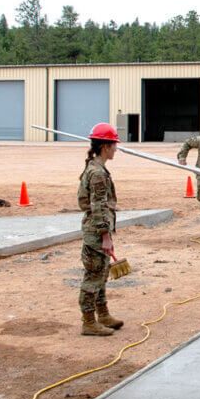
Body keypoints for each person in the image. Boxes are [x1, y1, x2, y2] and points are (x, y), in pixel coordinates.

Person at [78, 123, 124, 336]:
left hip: (96, 229)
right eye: (114, 144)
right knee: (93, 276)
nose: (116, 149)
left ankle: (103, 314)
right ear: (105, 146)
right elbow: (98, 206)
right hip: (96, 231)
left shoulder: (95, 167)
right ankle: (89, 322)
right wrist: (105, 235)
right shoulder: (97, 173)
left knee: (102, 272)